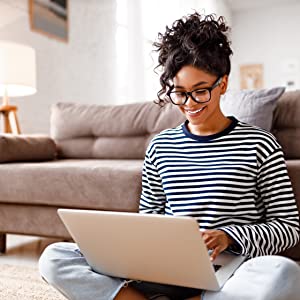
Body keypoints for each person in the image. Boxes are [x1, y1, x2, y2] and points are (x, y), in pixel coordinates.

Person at [39, 12, 300, 300]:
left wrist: (229, 238)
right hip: (166, 269)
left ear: (223, 84)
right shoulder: (160, 146)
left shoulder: (260, 143)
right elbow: (148, 218)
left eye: (200, 91)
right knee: (55, 257)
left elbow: (287, 228)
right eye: (179, 93)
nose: (189, 104)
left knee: (284, 274)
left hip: (231, 270)